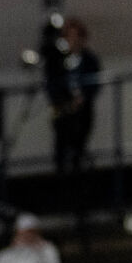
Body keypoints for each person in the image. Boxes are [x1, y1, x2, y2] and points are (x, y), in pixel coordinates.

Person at [42, 16, 100, 175]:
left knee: (79, 142)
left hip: (82, 109)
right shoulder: (56, 60)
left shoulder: (89, 59)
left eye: (76, 36)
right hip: (62, 108)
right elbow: (50, 84)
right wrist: (63, 101)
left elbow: (95, 83)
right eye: (69, 36)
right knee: (61, 141)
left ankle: (77, 168)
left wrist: (82, 98)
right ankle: (61, 173)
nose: (72, 40)